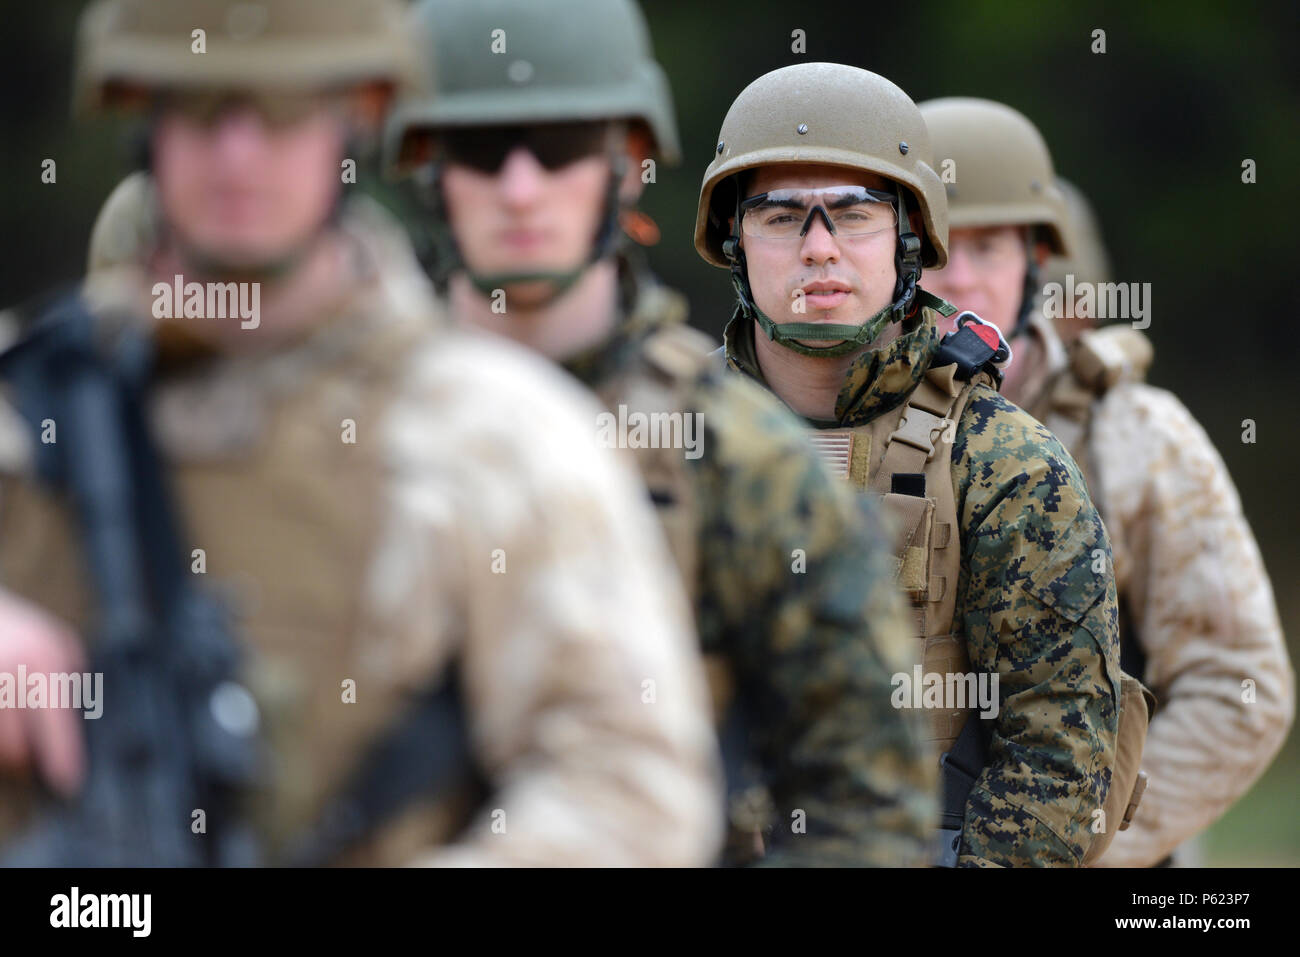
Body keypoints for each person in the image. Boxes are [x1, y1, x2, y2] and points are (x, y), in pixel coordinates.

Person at [0, 0, 722, 867]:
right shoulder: (27, 397)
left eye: (282, 109)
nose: (238, 152)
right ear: (144, 120)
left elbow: (633, 793)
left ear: (356, 115)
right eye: (199, 108)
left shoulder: (496, 436)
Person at [382, 0, 938, 867]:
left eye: (562, 146)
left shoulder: (745, 458)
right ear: (428, 169)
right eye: (482, 150)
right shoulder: (356, 436)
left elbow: (866, 802)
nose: (521, 187)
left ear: (632, 165)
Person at [697, 62, 1129, 867]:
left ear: (908, 238)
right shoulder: (667, 448)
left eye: (854, 214)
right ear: (734, 239)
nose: (819, 248)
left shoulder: (1004, 461)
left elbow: (1057, 751)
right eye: (781, 216)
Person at [920, 96, 1294, 867]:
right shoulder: (826, 431)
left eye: (988, 247)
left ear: (1036, 266)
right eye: (936, 249)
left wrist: (1078, 839)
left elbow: (1240, 689)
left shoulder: (1137, 437)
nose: (960, 279)